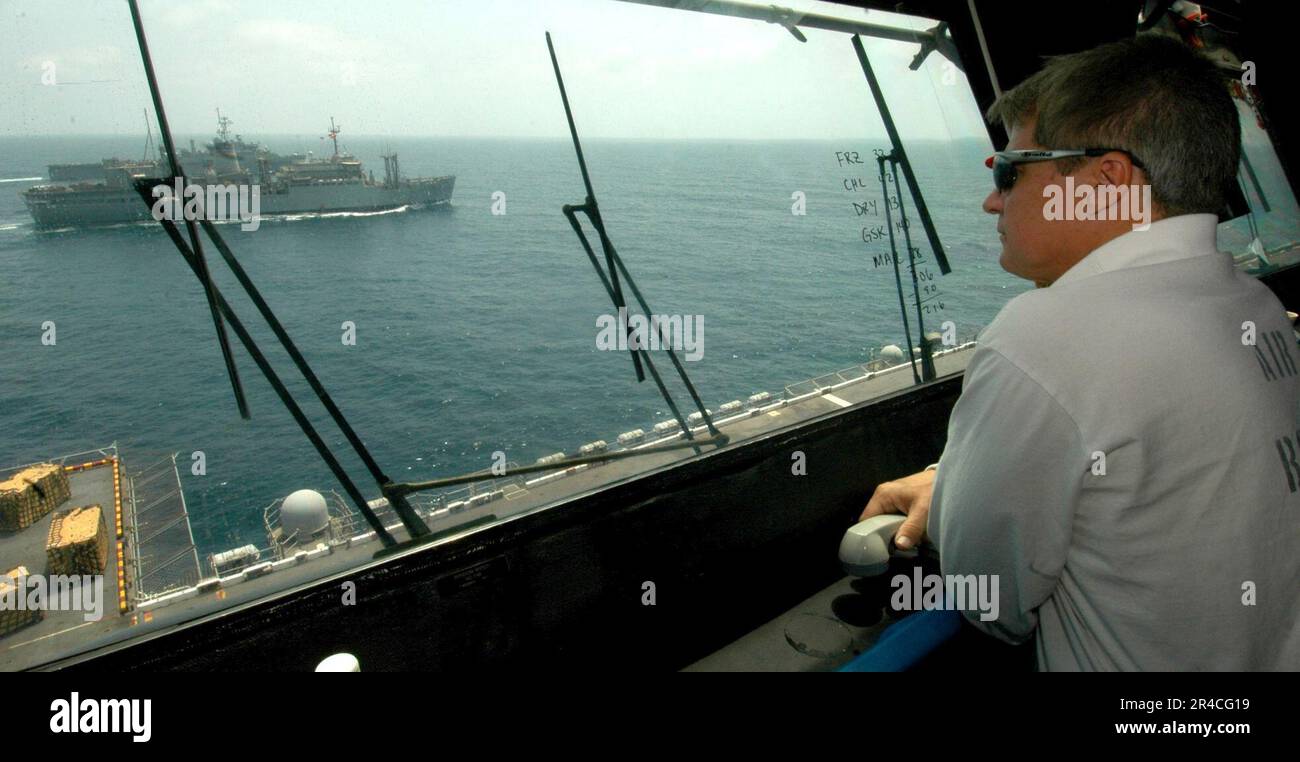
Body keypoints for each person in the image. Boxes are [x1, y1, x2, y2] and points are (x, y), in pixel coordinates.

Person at [860, 33, 1300, 670]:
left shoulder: (1045, 339)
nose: (992, 199)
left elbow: (991, 607)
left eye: (1010, 171)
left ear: (1109, 180)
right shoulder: (1255, 308)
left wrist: (952, 502)